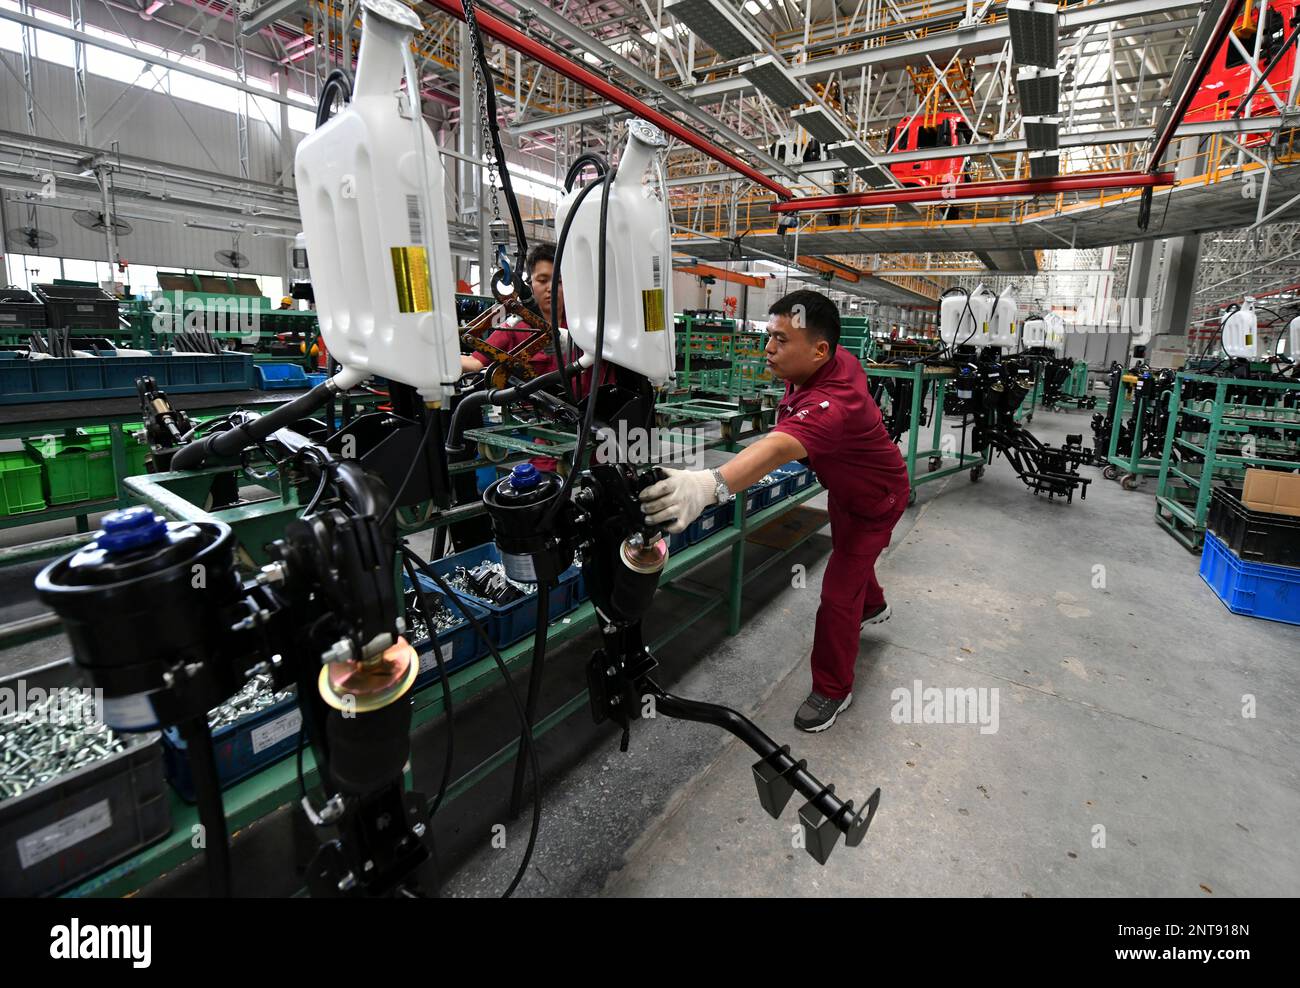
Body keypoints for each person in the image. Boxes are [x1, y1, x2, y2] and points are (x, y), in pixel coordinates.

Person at [640, 289, 910, 733]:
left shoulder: (834, 404)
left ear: (819, 349)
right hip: (847, 489)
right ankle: (874, 604)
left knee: (838, 593)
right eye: (770, 336)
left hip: (877, 502)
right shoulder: (827, 360)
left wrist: (710, 483)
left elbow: (781, 445)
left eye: (781, 340)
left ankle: (832, 689)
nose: (768, 348)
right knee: (851, 558)